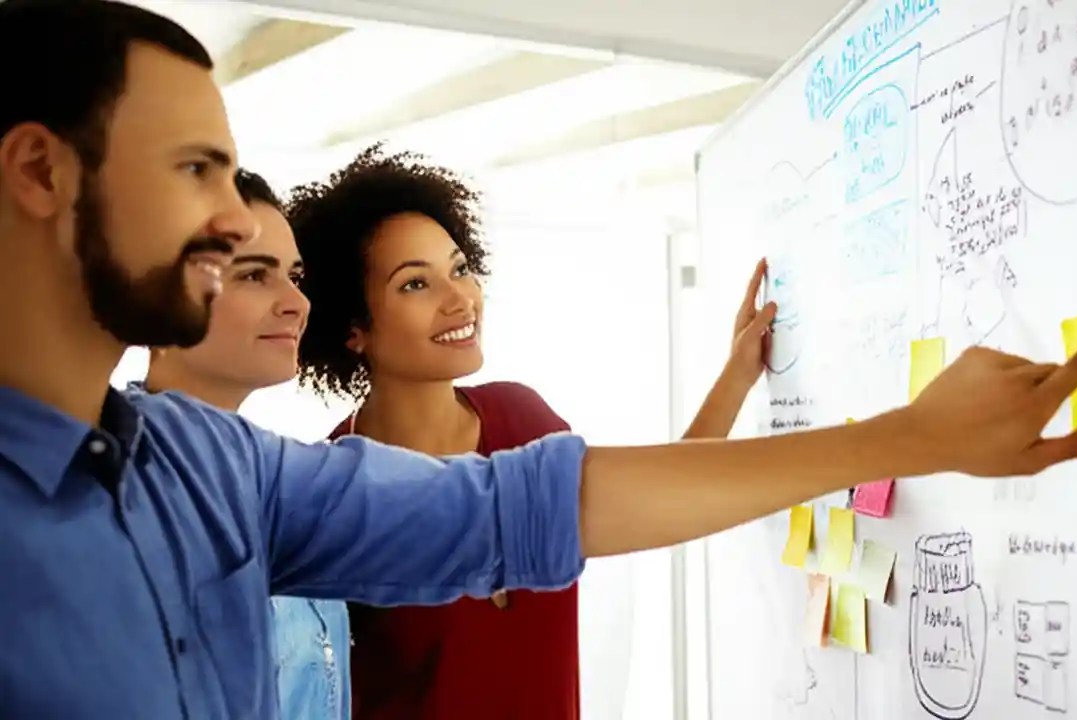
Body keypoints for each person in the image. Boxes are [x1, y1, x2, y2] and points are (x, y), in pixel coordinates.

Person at [0, 1, 1077, 718]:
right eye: (193, 168)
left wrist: (912, 436)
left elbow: (529, 507)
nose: (230, 220)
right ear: (42, 173)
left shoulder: (213, 469)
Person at [287, 145, 776, 718]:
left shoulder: (524, 420)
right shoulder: (332, 492)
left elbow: (664, 496)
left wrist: (737, 375)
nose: (460, 299)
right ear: (353, 328)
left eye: (459, 269)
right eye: (416, 284)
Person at [139, 168, 351, 720]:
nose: (297, 302)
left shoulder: (280, 486)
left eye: (294, 275)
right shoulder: (105, 498)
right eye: (255, 275)